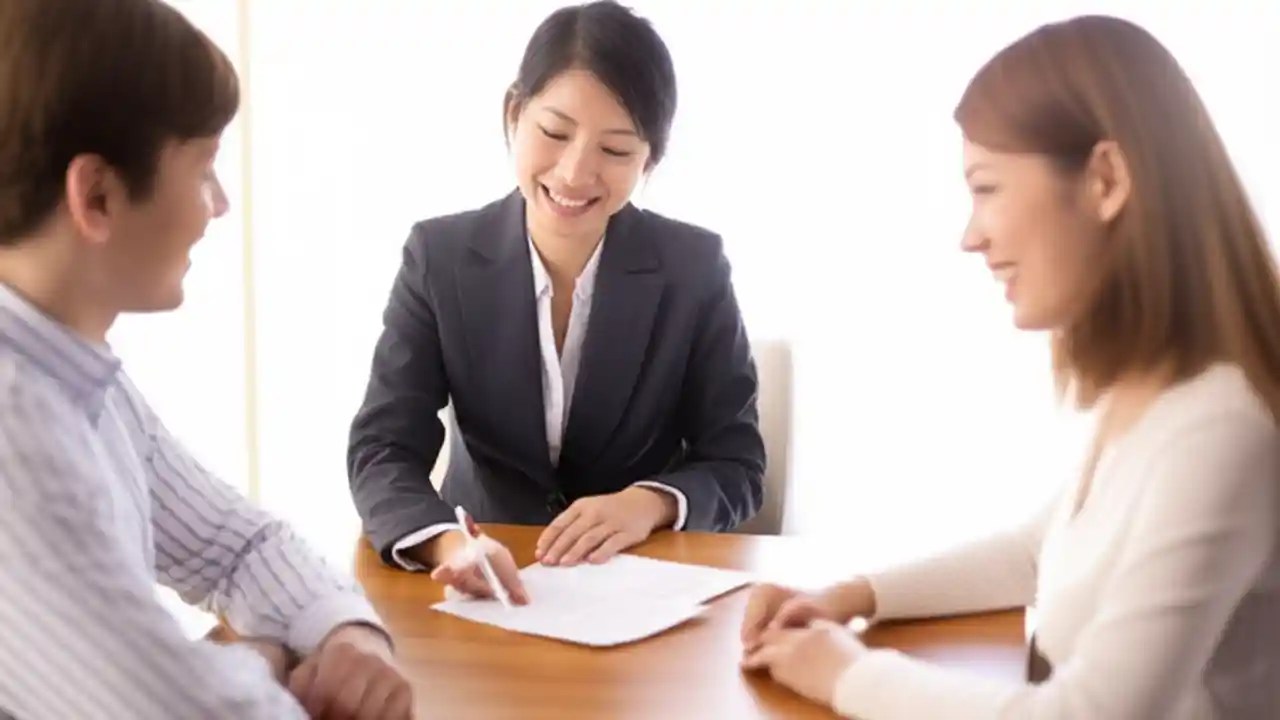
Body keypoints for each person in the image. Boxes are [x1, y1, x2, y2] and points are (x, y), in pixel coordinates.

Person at [739, 14, 1280, 720]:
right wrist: (850, 596)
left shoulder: (1219, 429)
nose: (971, 236)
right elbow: (1038, 553)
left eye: (987, 187)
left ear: (1106, 179)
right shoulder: (1155, 396)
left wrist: (846, 676)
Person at [0, 1, 413, 718]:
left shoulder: (82, 378)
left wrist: (347, 635)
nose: (216, 206)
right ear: (95, 194)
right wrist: (259, 659)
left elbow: (241, 544)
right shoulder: (15, 429)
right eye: (203, 171)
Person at [348, 0, 766, 596]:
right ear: (514, 113)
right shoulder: (437, 257)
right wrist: (451, 544)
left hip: (637, 588)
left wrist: (648, 504)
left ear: (652, 156)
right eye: (553, 132)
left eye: (616, 151)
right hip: (483, 583)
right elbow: (383, 448)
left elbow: (737, 463)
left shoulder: (694, 268)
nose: (574, 173)